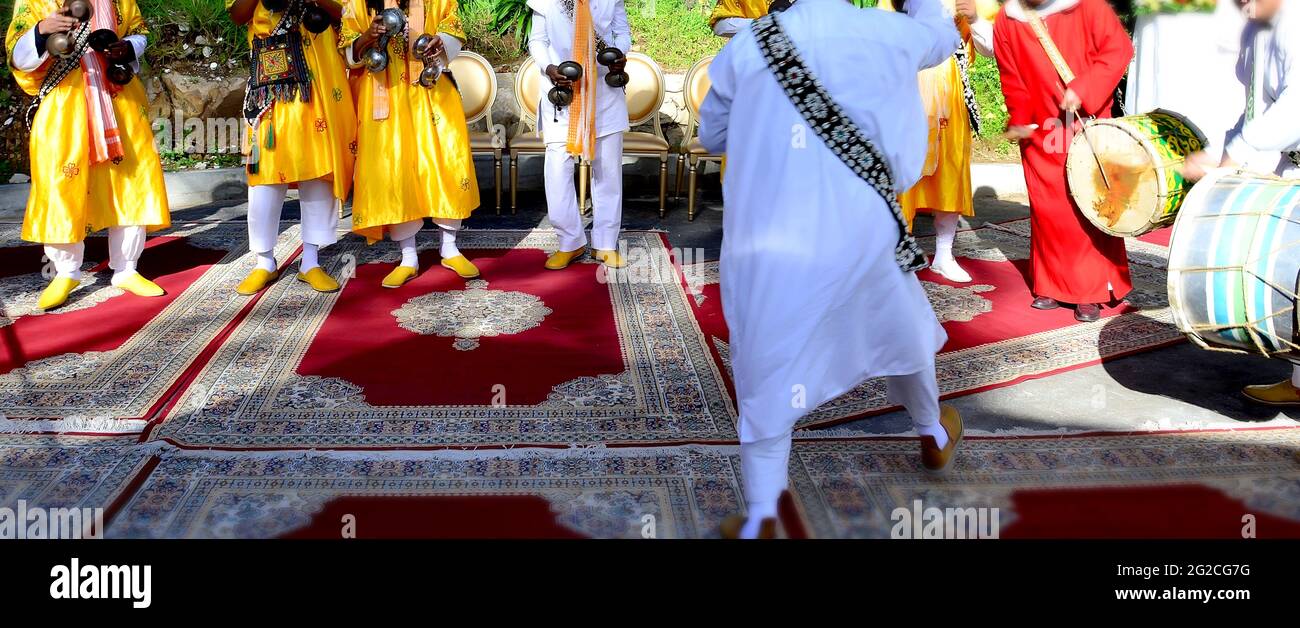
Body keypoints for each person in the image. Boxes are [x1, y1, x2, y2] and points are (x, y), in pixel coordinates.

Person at [699, 0, 964, 539]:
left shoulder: (750, 45)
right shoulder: (893, 32)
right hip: (864, 225)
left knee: (768, 360)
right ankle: (933, 433)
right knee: (900, 323)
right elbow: (942, 34)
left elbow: (713, 136)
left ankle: (762, 516)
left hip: (770, 236)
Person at [5, 0, 170, 310]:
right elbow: (17, 56)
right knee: (61, 184)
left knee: (130, 180)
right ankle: (66, 271)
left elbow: (140, 31)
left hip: (119, 99)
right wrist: (42, 31)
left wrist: (127, 47)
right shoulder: (35, 2)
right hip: (64, 104)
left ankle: (126, 268)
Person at [1182, 0, 1300, 405]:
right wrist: (1224, 156)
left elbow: (1295, 105)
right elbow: (1255, 109)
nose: (1242, 8)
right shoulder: (1258, 30)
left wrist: (1241, 150)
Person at [993, 0, 1135, 322]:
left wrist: (1084, 88)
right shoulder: (1009, 17)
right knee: (1047, 205)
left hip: (1085, 121)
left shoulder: (1089, 6)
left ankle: (1090, 290)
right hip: (1040, 126)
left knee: (1087, 203)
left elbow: (1119, 50)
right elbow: (1011, 74)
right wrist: (1020, 117)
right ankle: (1050, 283)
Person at [340, 0, 480, 287]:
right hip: (384, 93)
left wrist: (442, 44)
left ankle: (450, 248)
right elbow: (348, 53)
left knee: (445, 162)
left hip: (432, 88)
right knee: (394, 169)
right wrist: (369, 35)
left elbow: (451, 27)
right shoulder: (358, 2)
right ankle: (408, 257)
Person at [227, 0, 357, 296]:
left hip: (321, 81)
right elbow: (237, 14)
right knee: (264, 175)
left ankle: (311, 261)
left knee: (318, 169)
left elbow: (345, 13)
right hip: (270, 82)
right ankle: (264, 262)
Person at [885, 0, 998, 282]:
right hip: (908, 93)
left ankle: (944, 255)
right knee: (902, 175)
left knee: (950, 174)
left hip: (950, 97)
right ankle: (896, 252)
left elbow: (995, 47)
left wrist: (974, 19)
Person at [526, 0, 631, 270]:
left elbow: (622, 33)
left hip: (603, 93)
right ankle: (569, 242)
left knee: (607, 169)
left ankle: (605, 244)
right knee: (557, 169)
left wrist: (621, 55)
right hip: (563, 92)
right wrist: (549, 68)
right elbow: (537, 40)